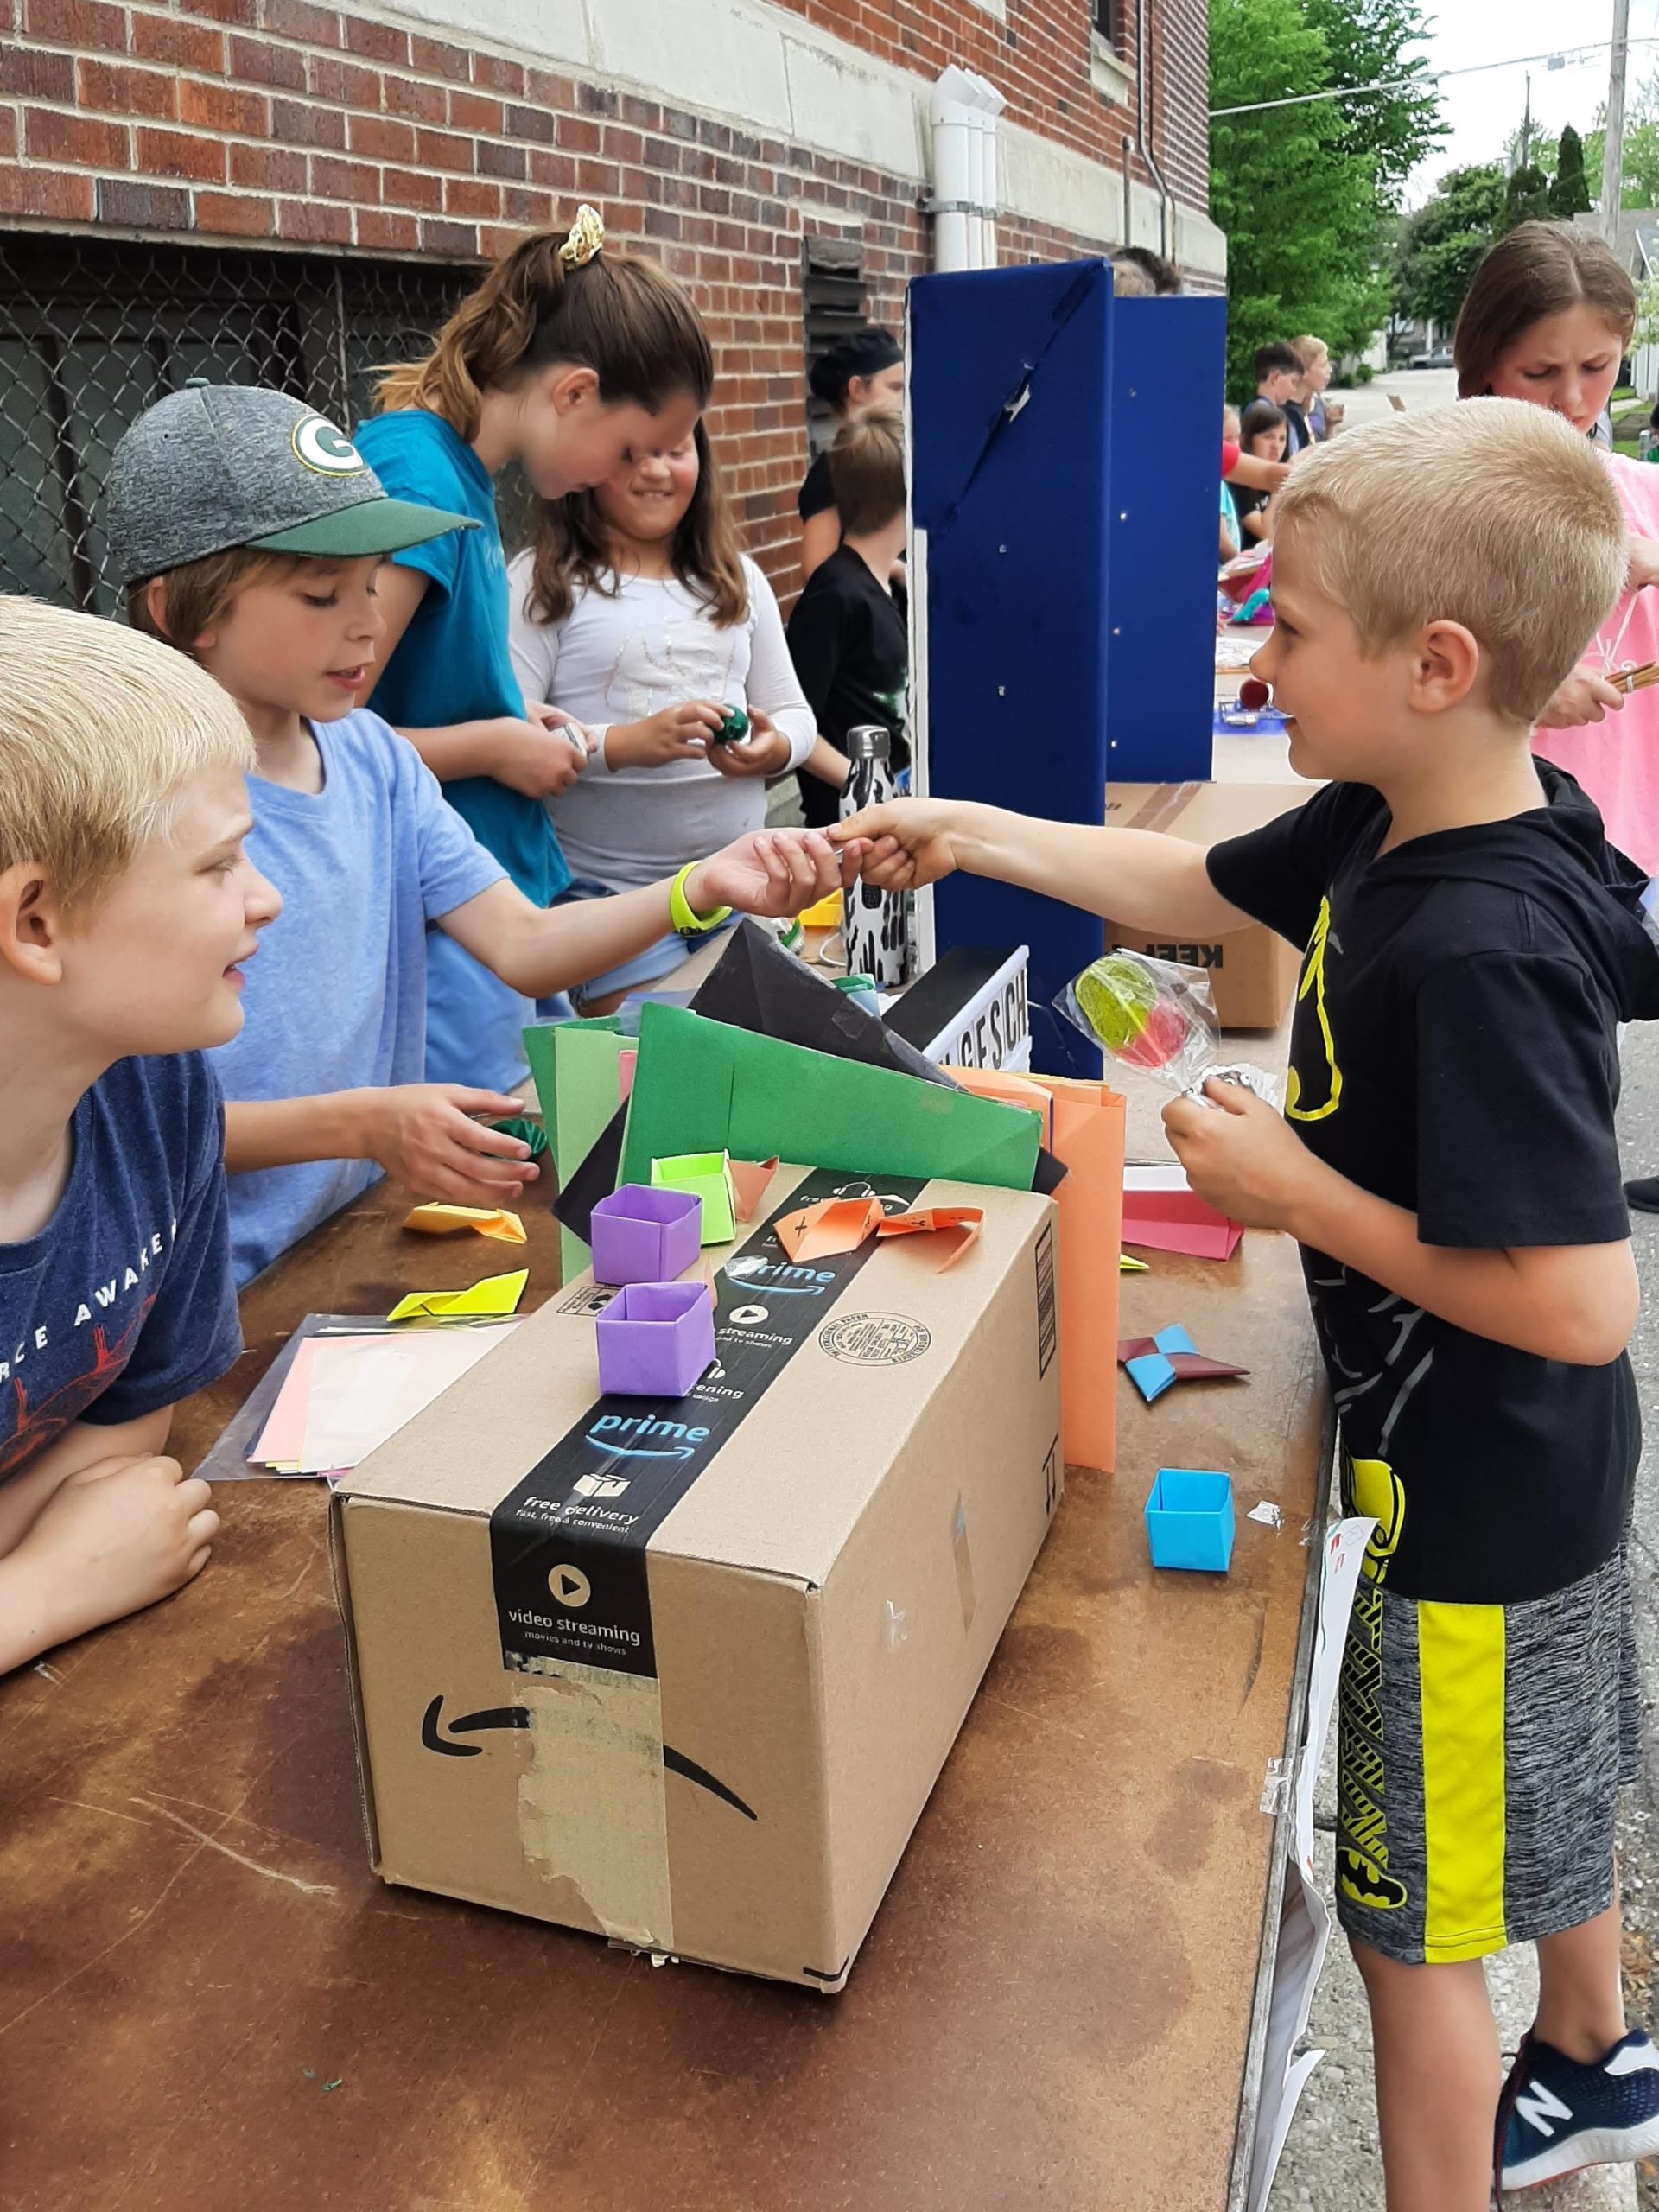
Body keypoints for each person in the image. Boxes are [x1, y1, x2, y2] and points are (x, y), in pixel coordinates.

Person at [838, 400, 1659, 2211]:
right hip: (1512, 1476)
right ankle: (1602, 2054)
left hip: (1476, 1505)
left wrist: (1300, 1195)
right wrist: (971, 829)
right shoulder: (1395, 808)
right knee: (1541, 1769)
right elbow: (1192, 887)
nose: (1252, 651)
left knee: (1413, 1918)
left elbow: (1587, 1301)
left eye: (1286, 626)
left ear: (1436, 662)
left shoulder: (1483, 941)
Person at [108, 383, 855, 1286]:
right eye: (319, 595)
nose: (371, 622)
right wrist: (367, 1122)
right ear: (179, 610)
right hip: (198, 1289)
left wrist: (700, 885)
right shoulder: (130, 809)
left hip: (356, 1238)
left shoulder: (375, 759)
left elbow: (526, 941)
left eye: (372, 584)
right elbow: (121, 1133)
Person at [353, 206, 715, 1093]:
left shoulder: (454, 474)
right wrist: (495, 746)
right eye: (630, 446)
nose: (626, 474)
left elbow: (417, 690)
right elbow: (318, 737)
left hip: (489, 905)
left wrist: (516, 719)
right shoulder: (418, 480)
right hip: (443, 930)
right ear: (574, 392)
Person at [0, 598, 277, 1674]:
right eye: (218, 867)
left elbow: (126, 1430)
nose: (268, 899)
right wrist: (43, 1590)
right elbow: (91, 1524)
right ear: (37, 922)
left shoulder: (156, 1093)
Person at [1453, 219, 1659, 1207]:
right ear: (1486, 362)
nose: (1575, 403)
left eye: (1599, 368)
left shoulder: (1641, 498)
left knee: (1581, 1083)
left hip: (1622, 849)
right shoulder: (1438, 499)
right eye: (1542, 373)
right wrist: (1528, 692)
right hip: (1485, 858)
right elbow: (1381, 674)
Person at [506, 420, 817, 1011]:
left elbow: (795, 714)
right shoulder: (542, 583)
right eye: (632, 454)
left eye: (674, 451)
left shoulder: (738, 577)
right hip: (612, 907)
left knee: (756, 1066)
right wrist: (623, 744)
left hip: (744, 896)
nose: (655, 470)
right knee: (658, 1078)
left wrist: (772, 748)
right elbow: (514, 737)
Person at [787, 409, 909, 830]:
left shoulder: (889, 583)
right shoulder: (834, 596)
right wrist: (873, 788)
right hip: (846, 824)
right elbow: (797, 723)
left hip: (891, 813)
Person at [798, 327, 905, 583]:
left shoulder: (896, 455)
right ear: (856, 389)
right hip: (867, 615)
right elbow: (818, 567)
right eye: (895, 387)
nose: (905, 398)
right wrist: (894, 569)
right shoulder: (832, 470)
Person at [1231, 400, 1287, 543]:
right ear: (1246, 440)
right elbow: (1266, 532)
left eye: (1282, 439)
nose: (1276, 446)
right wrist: (1280, 484)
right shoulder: (1239, 481)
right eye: (1268, 437)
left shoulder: (1282, 469)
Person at [1253, 341, 1306, 451]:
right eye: (1293, 382)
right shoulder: (1264, 417)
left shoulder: (1256, 411)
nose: (1294, 390)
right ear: (1275, 377)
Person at [1292, 334, 1339, 440]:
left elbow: (1326, 451)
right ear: (1303, 371)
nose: (1330, 370)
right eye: (1323, 365)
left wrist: (1330, 427)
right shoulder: (1286, 413)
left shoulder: (1319, 404)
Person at [1219, 404, 1243, 562]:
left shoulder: (1223, 484)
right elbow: (1221, 543)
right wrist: (1243, 561)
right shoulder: (1218, 486)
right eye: (1228, 440)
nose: (1235, 446)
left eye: (1238, 437)